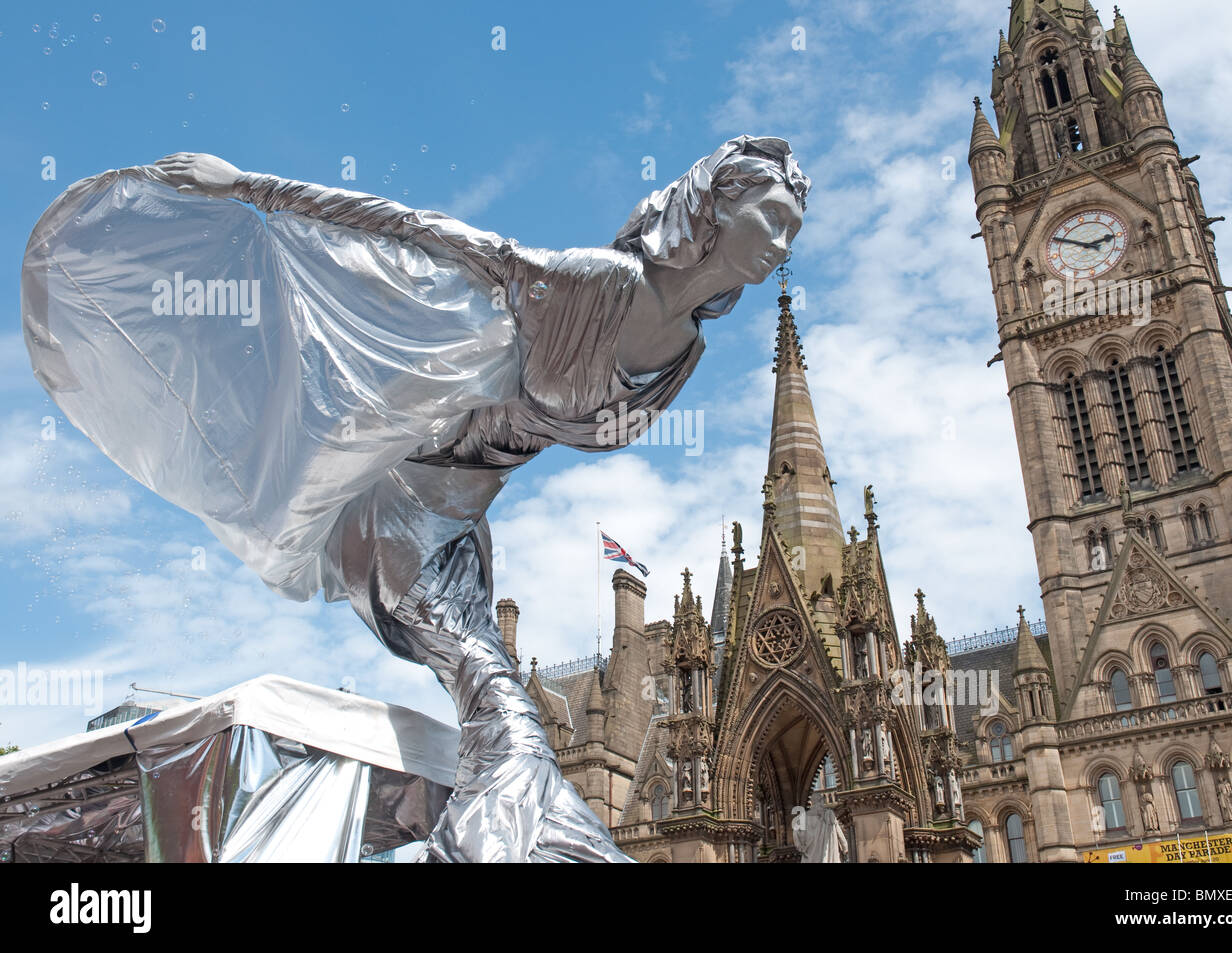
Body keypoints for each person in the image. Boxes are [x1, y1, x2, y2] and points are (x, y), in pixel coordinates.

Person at [21, 136, 808, 862]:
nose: (779, 245)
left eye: (791, 233)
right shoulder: (595, 286)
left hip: (464, 530)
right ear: (715, 202)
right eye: (770, 218)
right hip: (400, 516)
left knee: (497, 711)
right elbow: (423, 232)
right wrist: (252, 187)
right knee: (505, 710)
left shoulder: (687, 351)